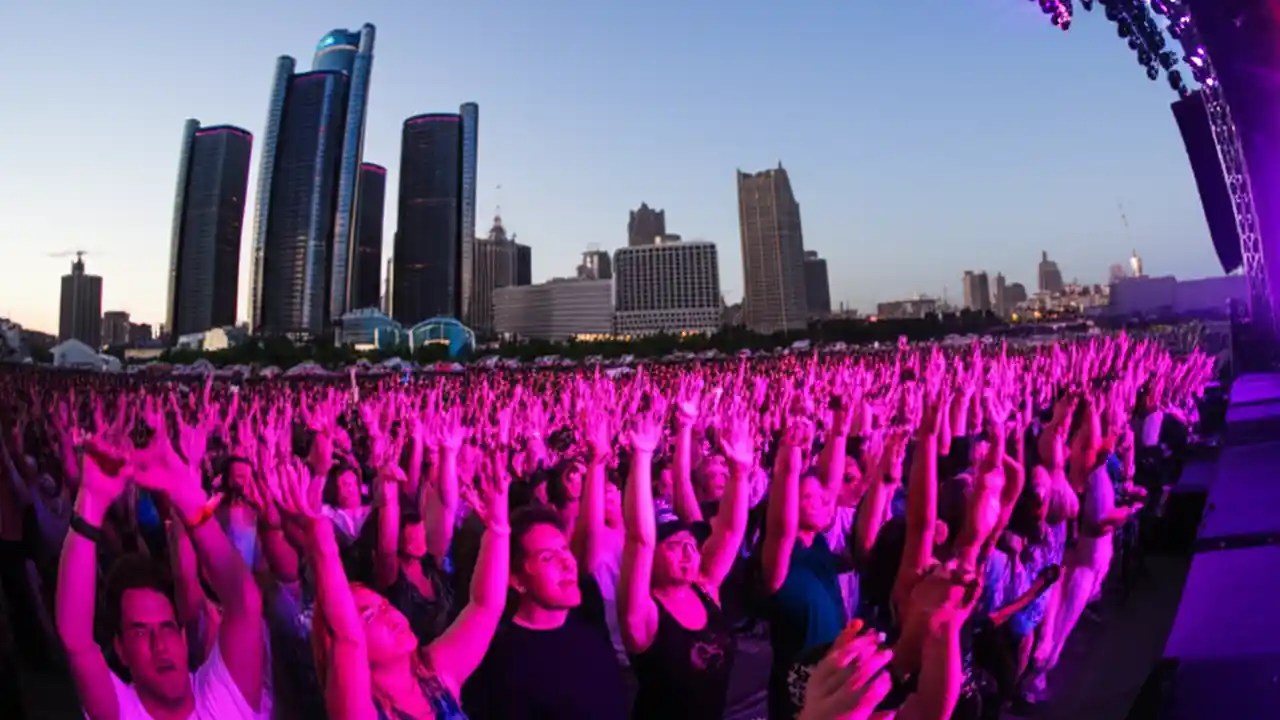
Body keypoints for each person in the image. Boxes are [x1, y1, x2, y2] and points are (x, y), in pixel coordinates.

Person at [57, 406, 268, 720]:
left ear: (184, 639)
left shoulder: (221, 700)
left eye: (167, 628)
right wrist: (91, 500)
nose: (160, 645)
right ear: (121, 651)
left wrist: (184, 492)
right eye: (140, 632)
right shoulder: (124, 712)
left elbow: (244, 601)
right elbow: (76, 639)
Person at [618, 395, 753, 719]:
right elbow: (639, 540)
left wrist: (739, 471)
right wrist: (642, 456)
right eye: (675, 545)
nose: (688, 552)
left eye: (692, 545)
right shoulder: (643, 613)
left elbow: (731, 533)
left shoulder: (705, 587)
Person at [464, 505, 628, 720]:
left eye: (565, 549)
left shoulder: (589, 613)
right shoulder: (505, 660)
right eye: (547, 558)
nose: (567, 563)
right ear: (517, 579)